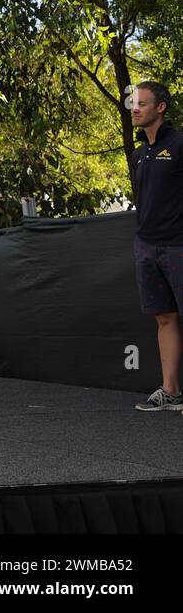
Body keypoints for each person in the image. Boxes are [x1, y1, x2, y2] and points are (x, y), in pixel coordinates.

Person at [129, 82, 183, 411]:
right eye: (133, 104)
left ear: (160, 107)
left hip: (179, 243)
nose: (135, 109)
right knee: (164, 318)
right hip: (147, 246)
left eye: (142, 104)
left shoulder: (179, 144)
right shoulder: (138, 154)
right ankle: (171, 391)